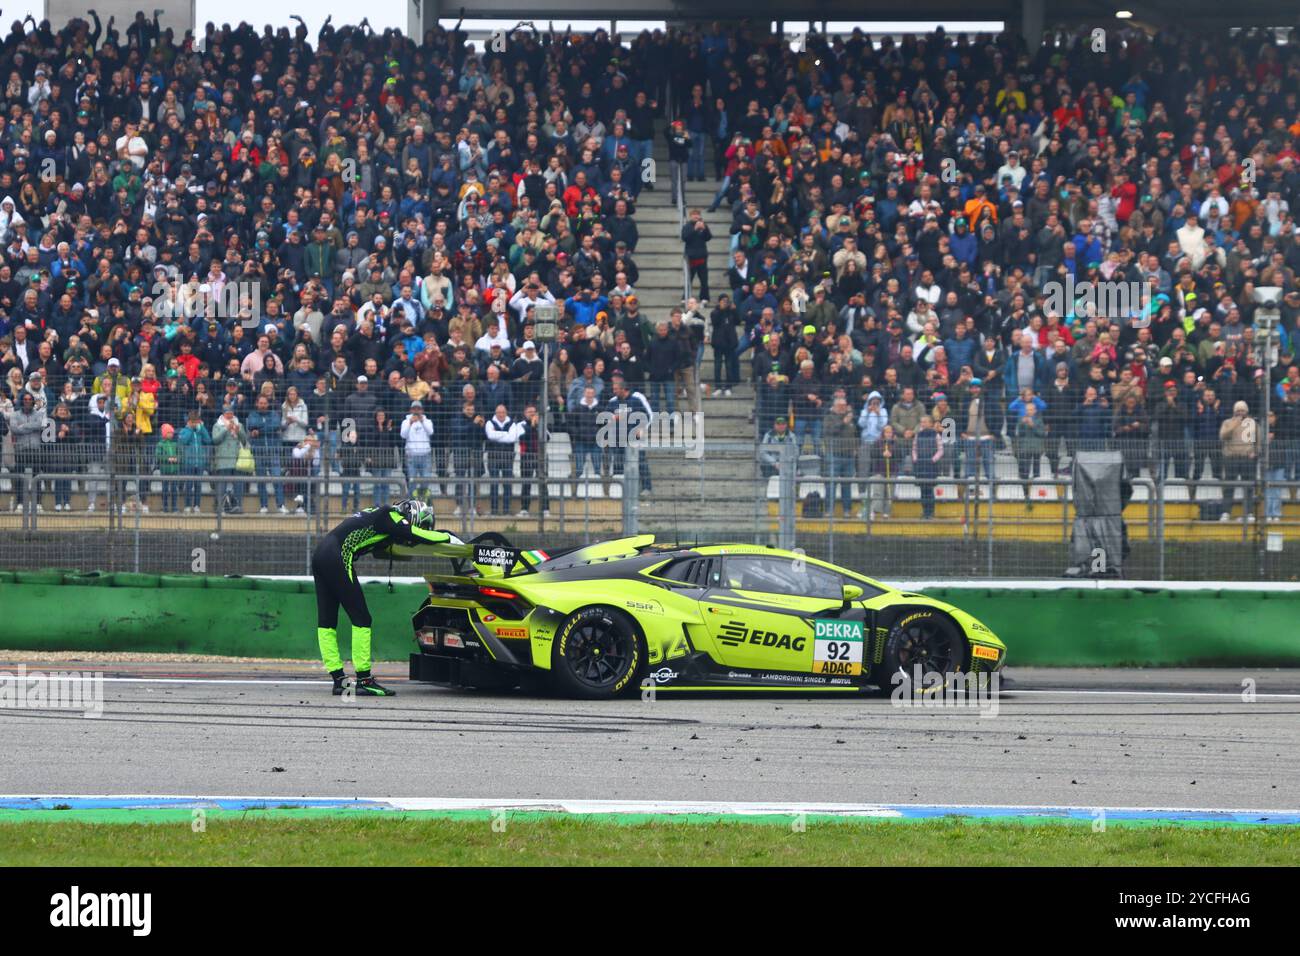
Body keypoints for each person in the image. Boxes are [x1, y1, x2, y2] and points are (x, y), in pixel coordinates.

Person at [311, 498, 450, 696]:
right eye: (423, 524)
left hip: (321, 554)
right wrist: (445, 536)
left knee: (327, 622)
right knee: (362, 619)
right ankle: (364, 680)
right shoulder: (390, 516)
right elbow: (414, 533)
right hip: (337, 555)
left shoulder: (378, 513)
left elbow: (374, 539)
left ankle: (339, 680)